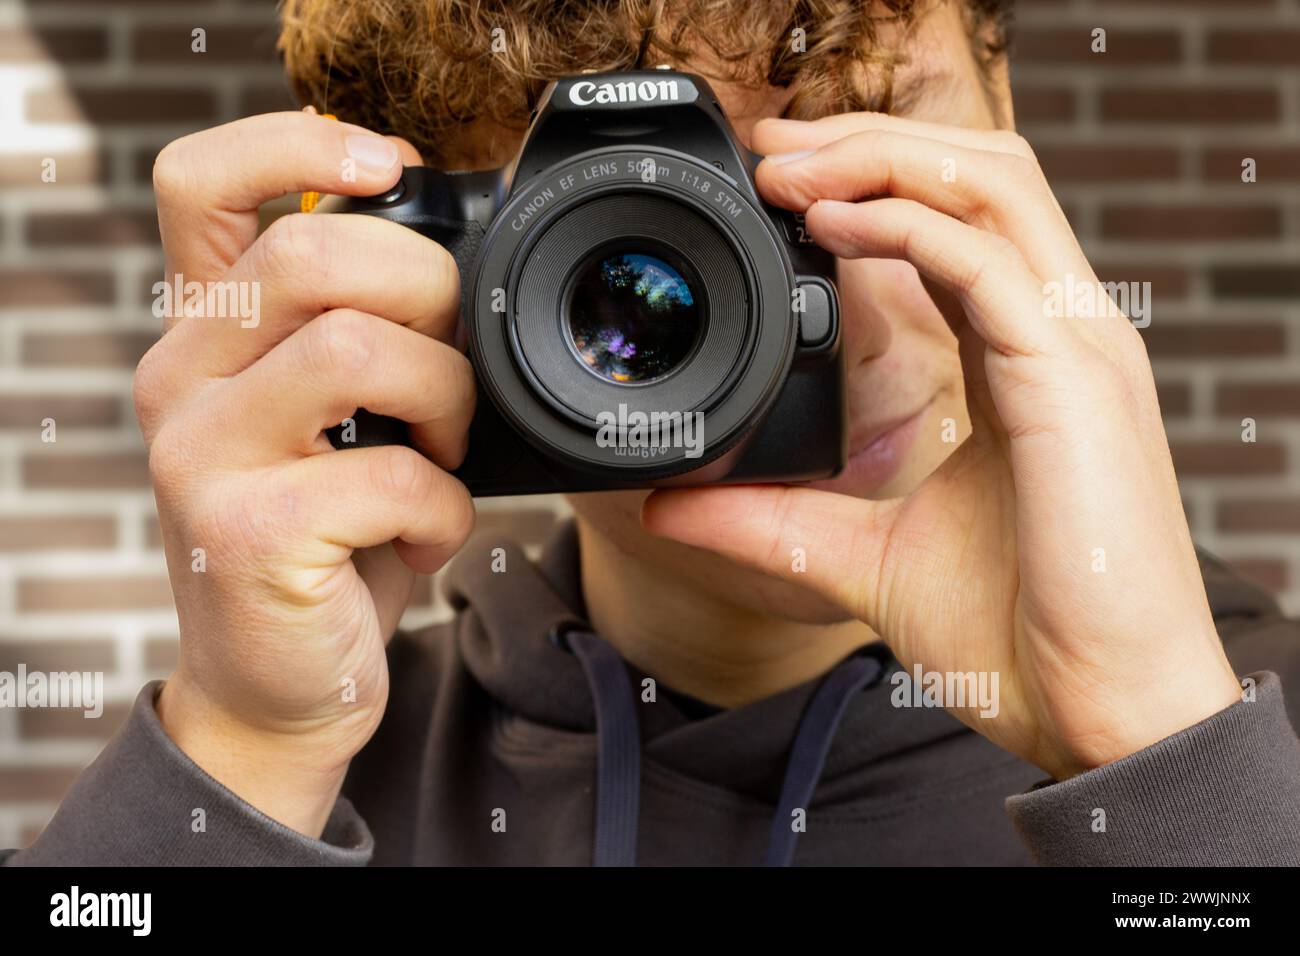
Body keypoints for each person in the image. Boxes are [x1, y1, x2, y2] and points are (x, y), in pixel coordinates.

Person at [5, 0, 1298, 866]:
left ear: (1007, 109)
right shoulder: (313, 775)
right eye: (651, 246)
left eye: (872, 169)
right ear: (432, 272)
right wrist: (241, 753)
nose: (823, 324)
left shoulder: (1253, 744)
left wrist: (1165, 762)